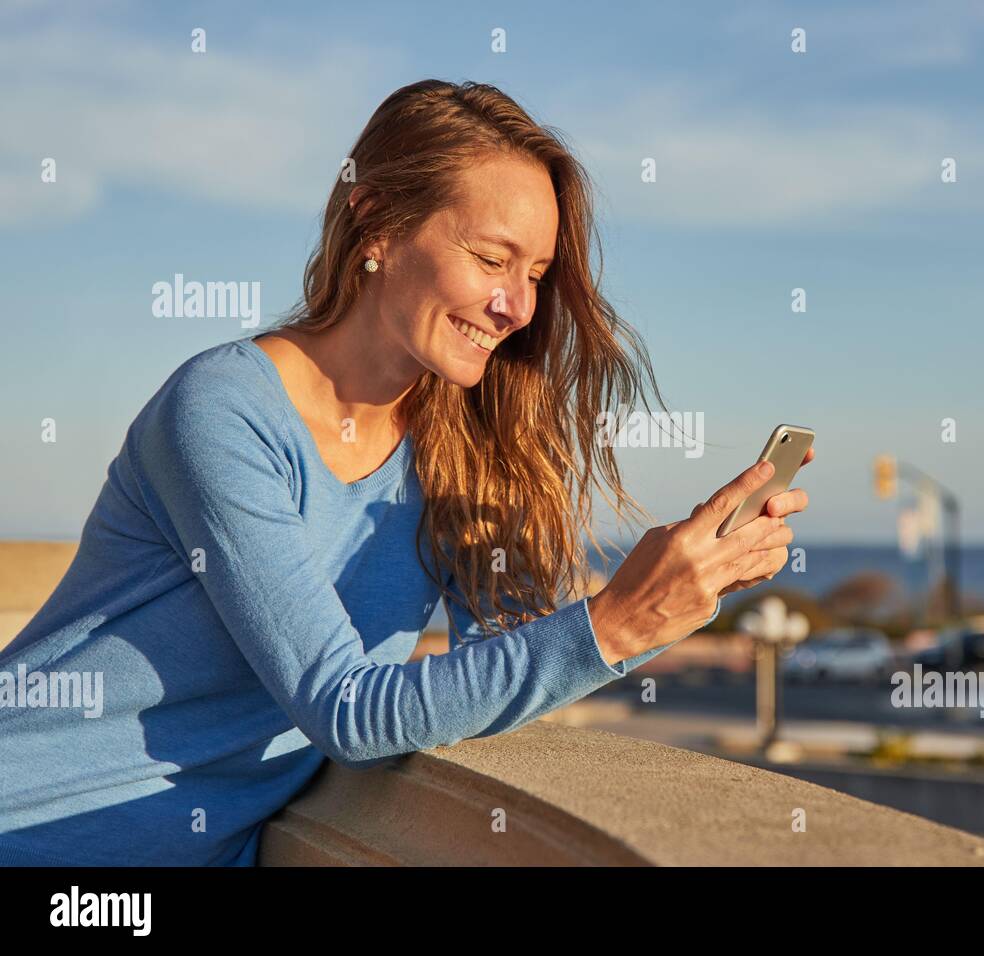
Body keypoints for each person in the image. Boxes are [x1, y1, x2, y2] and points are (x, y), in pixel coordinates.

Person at [0, 79, 811, 866]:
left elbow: (504, 668)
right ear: (378, 221)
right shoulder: (223, 412)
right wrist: (619, 622)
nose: (518, 308)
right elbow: (347, 710)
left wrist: (676, 589)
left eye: (533, 274)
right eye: (492, 258)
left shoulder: (458, 448)